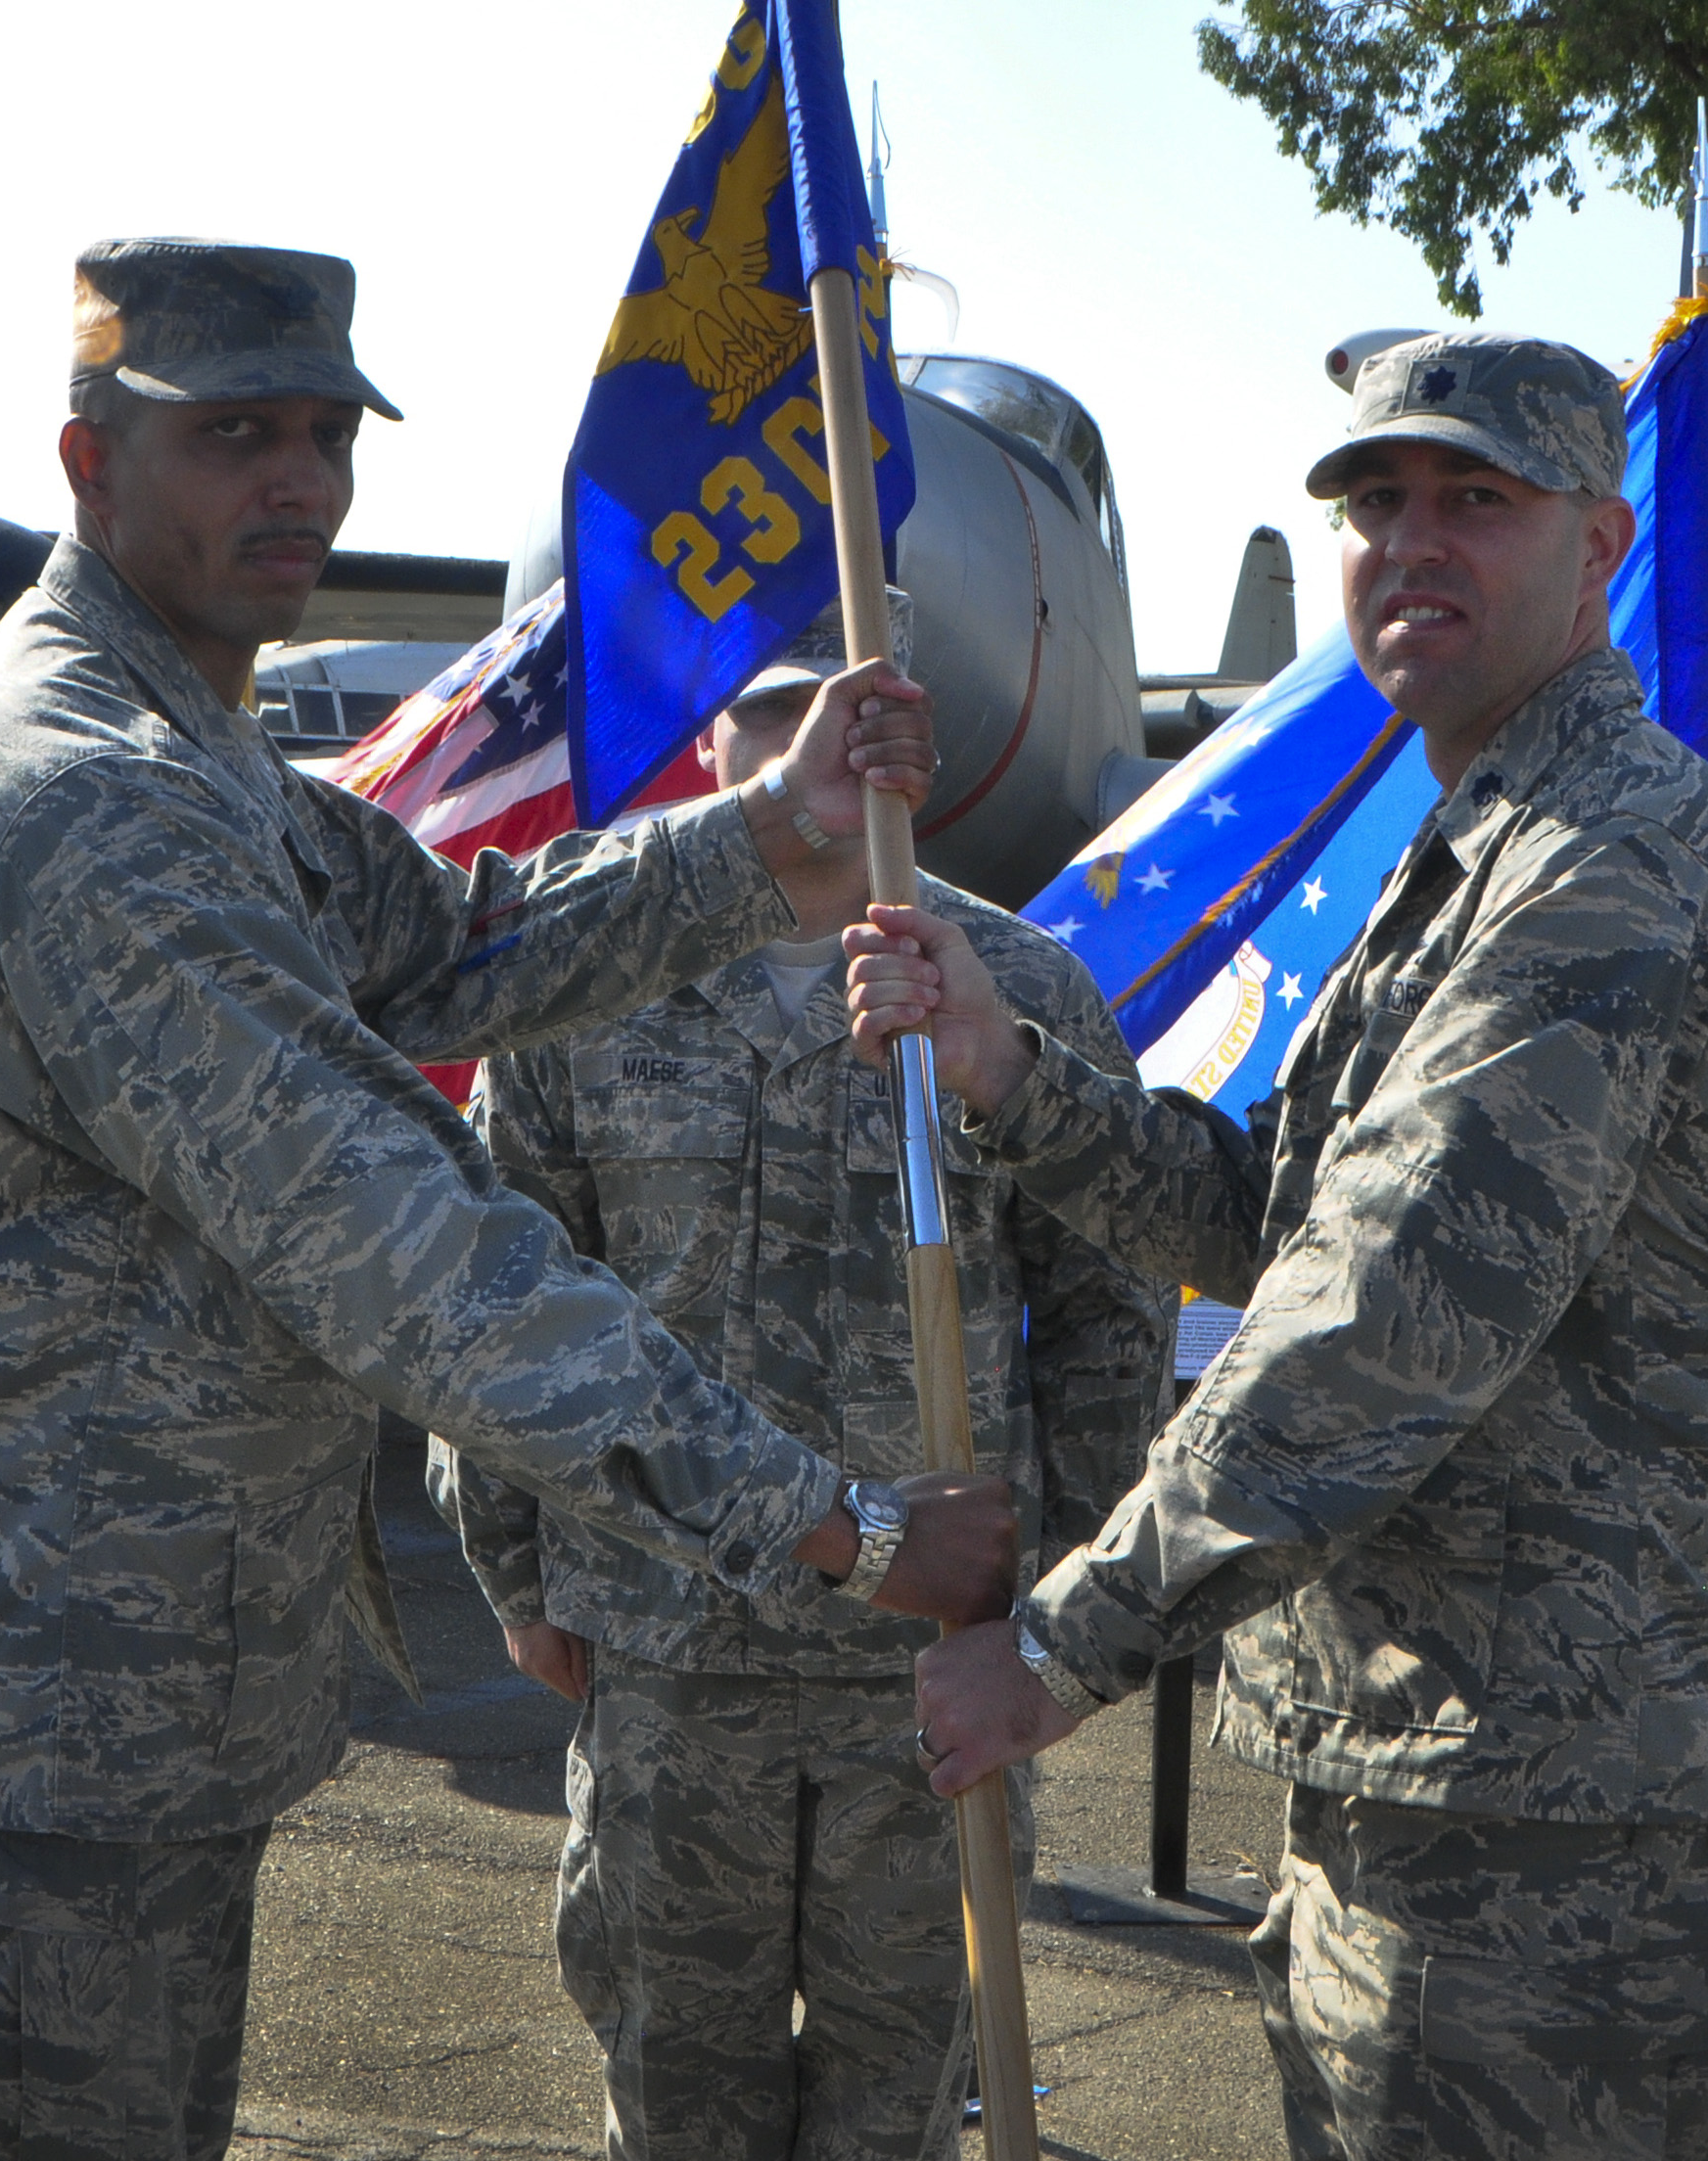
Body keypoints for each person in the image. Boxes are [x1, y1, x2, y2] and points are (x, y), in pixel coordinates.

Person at [0, 237, 1017, 2161]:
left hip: (123, 1713)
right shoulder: (86, 796)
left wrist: (762, 839)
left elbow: (452, 947)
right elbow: (409, 1252)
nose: (297, 484)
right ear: (90, 464)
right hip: (32, 1727)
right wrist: (835, 1521)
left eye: (326, 435)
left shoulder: (201, 768)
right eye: (233, 437)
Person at [856, 331, 1708, 2161]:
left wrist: (1065, 1644)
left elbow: (1378, 1310)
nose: (1415, 541)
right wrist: (1008, 1071)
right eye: (1378, 502)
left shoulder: (1605, 869)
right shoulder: (1475, 838)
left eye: (1480, 498)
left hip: (1552, 1827)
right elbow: (1271, 1215)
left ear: (1601, 539)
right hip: (1438, 1766)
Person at [429, 593, 1174, 2161]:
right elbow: (493, 1299)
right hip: (664, 1648)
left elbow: (1111, 1307)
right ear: (713, 734)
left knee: (894, 2101)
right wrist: (515, 1568)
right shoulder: (586, 989)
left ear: (914, 732)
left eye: (846, 705)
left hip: (922, 1678)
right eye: (768, 710)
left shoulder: (1017, 990)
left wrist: (1065, 1595)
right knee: (677, 2087)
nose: (810, 742)